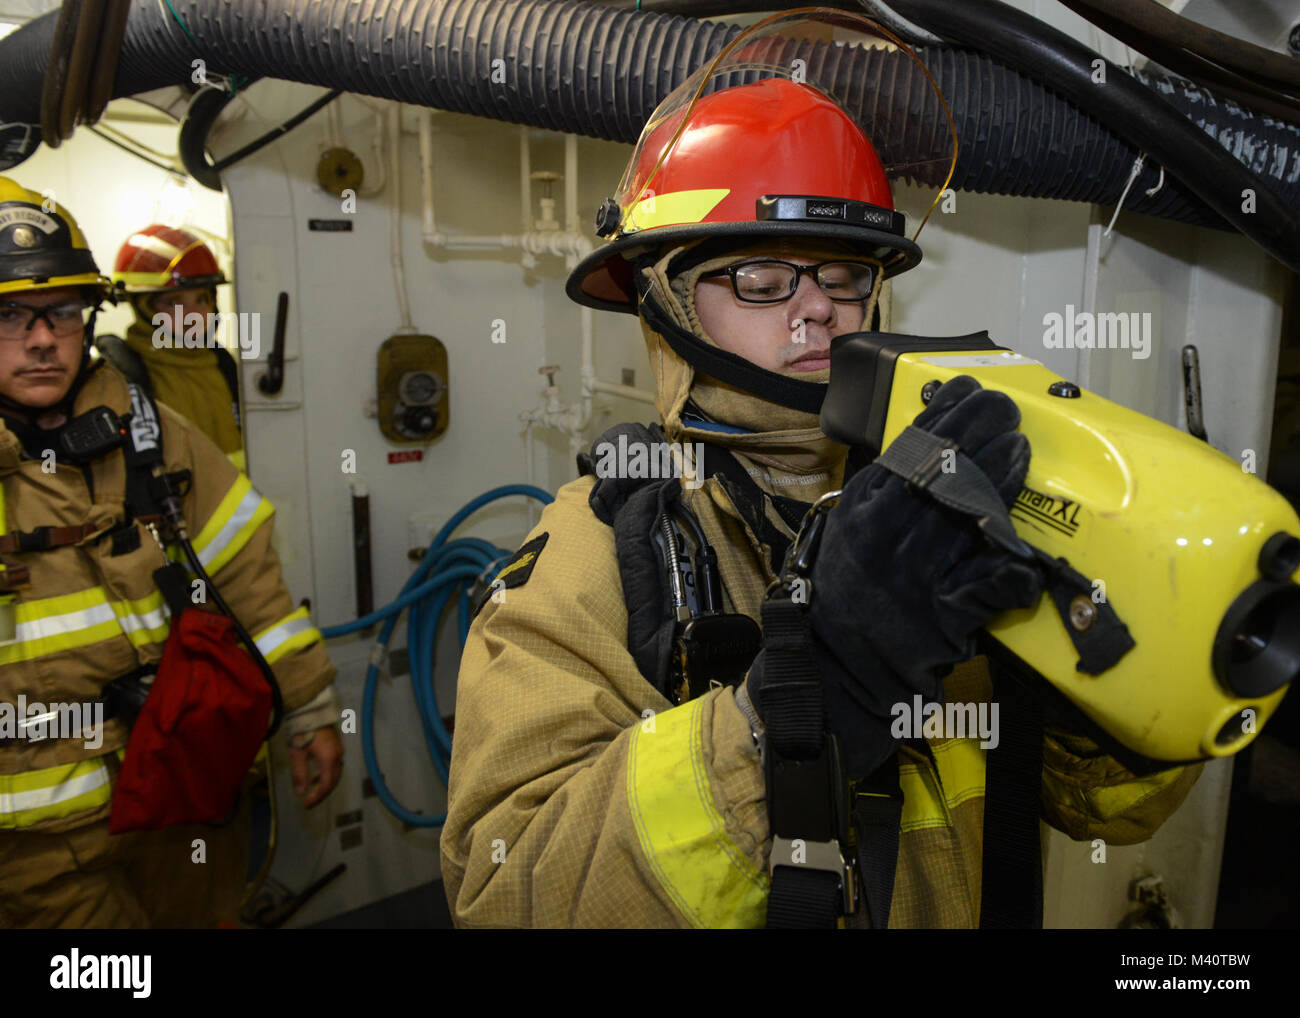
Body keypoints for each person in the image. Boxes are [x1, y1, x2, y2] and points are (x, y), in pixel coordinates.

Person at [440, 29, 1202, 929]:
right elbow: (510, 893)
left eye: (845, 274)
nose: (818, 308)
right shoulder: (601, 549)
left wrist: (1133, 651)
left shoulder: (943, 509)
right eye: (761, 277)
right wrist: (804, 701)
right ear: (665, 302)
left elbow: (1104, 806)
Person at [0, 177, 342, 928]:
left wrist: (310, 708)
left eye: (60, 311)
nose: (41, 338)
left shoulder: (145, 432)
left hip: (176, 792)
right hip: (35, 844)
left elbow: (245, 575)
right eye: (9, 316)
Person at [96, 224, 246, 470]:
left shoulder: (223, 364)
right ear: (142, 308)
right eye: (173, 302)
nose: (193, 315)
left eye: (201, 299)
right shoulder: (122, 378)